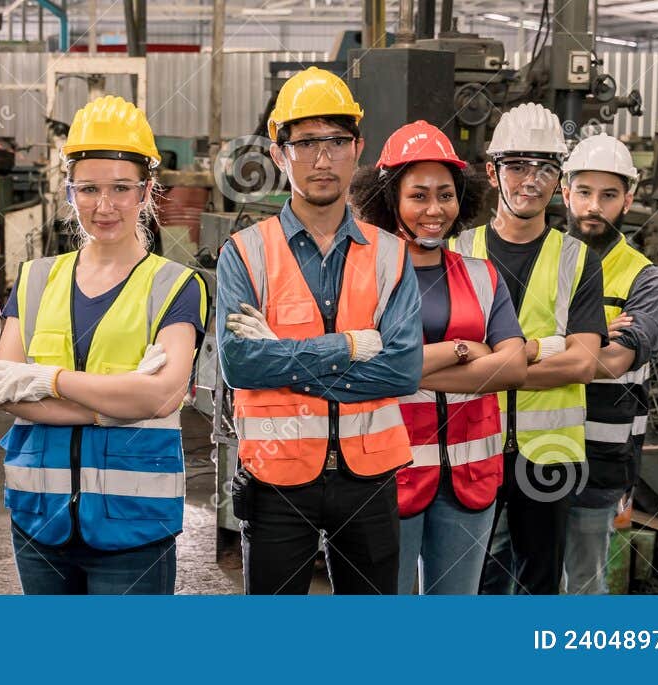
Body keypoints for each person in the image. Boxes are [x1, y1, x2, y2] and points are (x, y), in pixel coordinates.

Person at [0, 96, 207, 595]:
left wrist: (51, 380)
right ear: (70, 192)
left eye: (121, 189)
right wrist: (118, 402)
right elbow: (5, 389)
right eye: (88, 189)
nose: (104, 206)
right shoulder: (36, 279)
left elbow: (163, 397)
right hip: (39, 520)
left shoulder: (175, 285)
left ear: (147, 191)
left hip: (135, 528)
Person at [217, 67, 422, 595]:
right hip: (276, 479)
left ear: (359, 148)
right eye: (306, 142)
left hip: (369, 482)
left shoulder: (391, 254)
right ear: (279, 153)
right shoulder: (244, 253)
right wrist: (348, 347)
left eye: (335, 141)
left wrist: (281, 361)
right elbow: (239, 365)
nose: (322, 158)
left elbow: (402, 370)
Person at [351, 121, 528, 594]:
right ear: (391, 199)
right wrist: (465, 350)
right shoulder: (362, 278)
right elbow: (364, 370)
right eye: (419, 195)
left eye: (445, 195)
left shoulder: (482, 275)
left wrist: (404, 368)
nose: (435, 209)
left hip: (470, 479)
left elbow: (513, 367)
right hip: (389, 477)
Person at [449, 103, 607, 596]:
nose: (531, 180)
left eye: (545, 167)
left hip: (550, 454)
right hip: (470, 444)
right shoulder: (457, 251)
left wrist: (491, 362)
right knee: (469, 579)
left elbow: (584, 360)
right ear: (494, 172)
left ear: (558, 179)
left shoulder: (577, 258)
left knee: (540, 584)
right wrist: (542, 352)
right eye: (517, 165)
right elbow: (438, 350)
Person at [559, 134, 658, 594]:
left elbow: (616, 362)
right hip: (530, 449)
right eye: (584, 192)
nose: (593, 206)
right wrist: (594, 343)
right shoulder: (544, 262)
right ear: (566, 193)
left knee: (584, 585)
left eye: (608, 195)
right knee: (519, 581)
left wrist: (543, 345)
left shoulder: (643, 276)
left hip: (601, 456)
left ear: (629, 199)